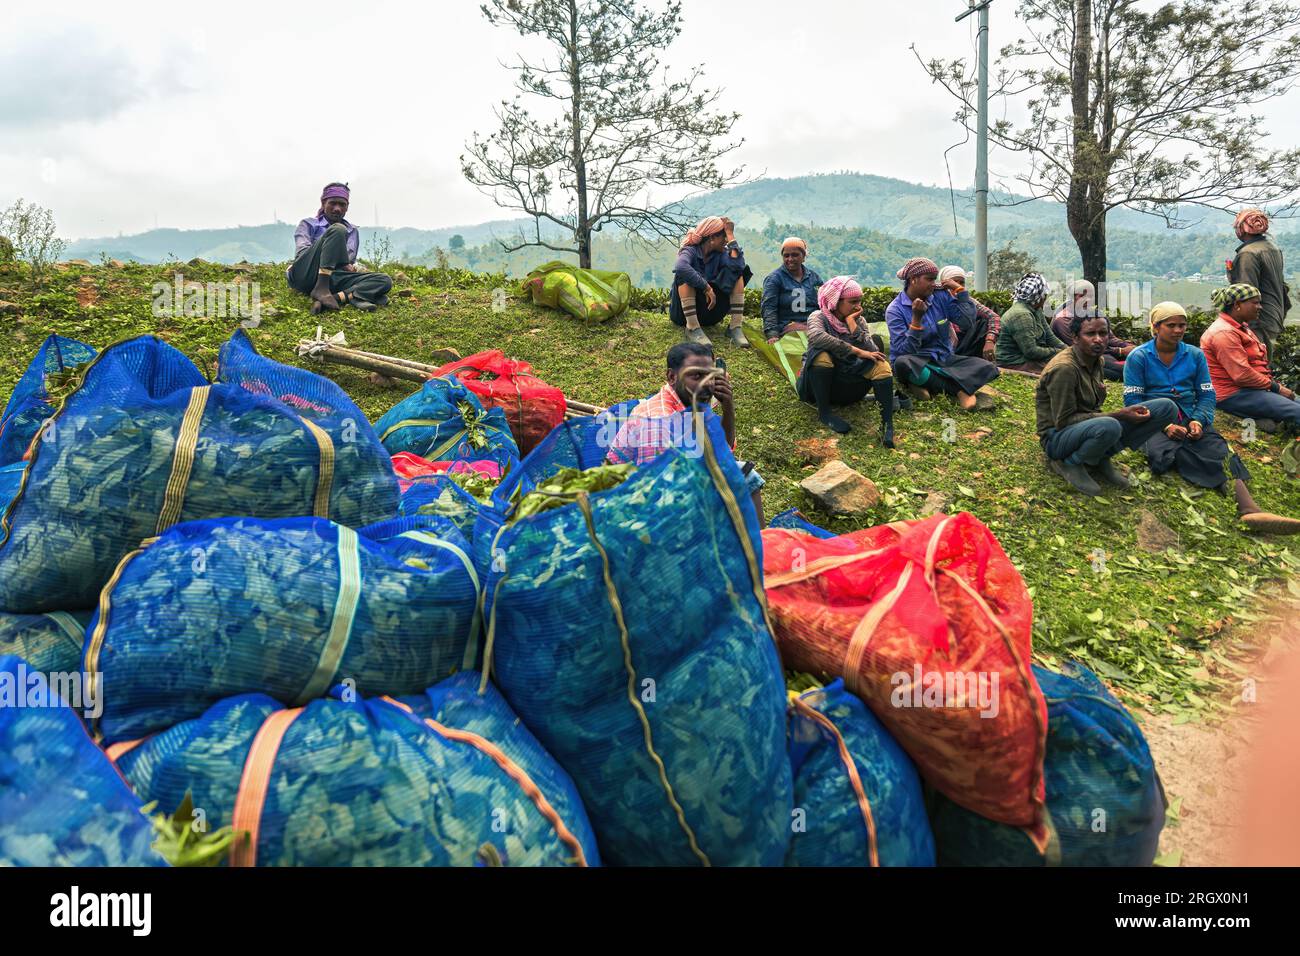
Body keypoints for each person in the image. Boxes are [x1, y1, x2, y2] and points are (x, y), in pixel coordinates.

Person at [1126, 301, 1300, 532]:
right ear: (1156, 327)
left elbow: (1207, 394)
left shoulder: (1194, 356)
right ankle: (1242, 505)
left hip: (1189, 416)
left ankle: (1250, 510)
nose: (1178, 330)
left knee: (1220, 450)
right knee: (1171, 451)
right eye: (1172, 325)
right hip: (1153, 421)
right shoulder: (1139, 357)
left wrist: (1198, 420)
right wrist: (1166, 425)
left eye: (1182, 325)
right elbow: (1133, 402)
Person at [606, 342, 765, 521]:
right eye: (697, 376)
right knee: (743, 480)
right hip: (643, 504)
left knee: (745, 476)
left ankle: (759, 544)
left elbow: (724, 451)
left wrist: (728, 408)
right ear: (671, 376)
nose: (708, 384)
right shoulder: (659, 422)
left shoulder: (690, 401)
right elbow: (664, 491)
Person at [1036, 312, 1178, 496]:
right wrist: (1118, 415)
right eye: (1090, 334)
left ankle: (1100, 456)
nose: (1098, 340)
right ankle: (1070, 462)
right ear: (1075, 337)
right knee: (1109, 425)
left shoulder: (1096, 360)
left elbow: (1092, 407)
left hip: (1086, 427)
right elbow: (1063, 421)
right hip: (1057, 438)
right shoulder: (1065, 369)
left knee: (1166, 408)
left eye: (1103, 334)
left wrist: (1113, 412)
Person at [885, 257, 1000, 411]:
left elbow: (966, 322)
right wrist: (916, 319)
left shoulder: (940, 297)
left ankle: (923, 384)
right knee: (903, 364)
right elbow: (904, 351)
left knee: (987, 367)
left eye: (935, 279)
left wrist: (960, 292)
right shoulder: (895, 310)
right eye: (929, 279)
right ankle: (959, 390)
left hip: (944, 358)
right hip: (917, 360)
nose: (934, 283)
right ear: (913, 279)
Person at [795, 276, 896, 446]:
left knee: (881, 366)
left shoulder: (859, 320)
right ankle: (824, 413)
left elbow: (872, 351)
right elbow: (817, 336)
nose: (858, 307)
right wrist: (855, 350)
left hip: (848, 383)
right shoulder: (818, 317)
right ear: (836, 301)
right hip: (816, 386)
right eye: (853, 302)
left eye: (859, 301)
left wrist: (852, 325)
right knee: (820, 356)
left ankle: (887, 426)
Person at [1202, 284, 1300, 434]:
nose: (1260, 307)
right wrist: (1277, 388)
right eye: (1255, 302)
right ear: (1237, 305)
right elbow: (1242, 375)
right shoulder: (1223, 333)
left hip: (1252, 389)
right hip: (1233, 394)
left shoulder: (1241, 327)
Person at [286, 182, 393, 314]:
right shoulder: (308, 224)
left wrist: (347, 265)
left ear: (347, 207)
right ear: (323, 203)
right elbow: (302, 254)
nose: (337, 208)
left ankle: (334, 298)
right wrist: (329, 246)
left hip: (334, 278)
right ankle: (324, 289)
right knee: (337, 230)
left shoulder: (352, 230)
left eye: (342, 204)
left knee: (384, 280)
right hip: (305, 274)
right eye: (332, 203)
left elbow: (346, 263)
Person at [671, 216, 753, 348]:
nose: (726, 241)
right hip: (683, 316)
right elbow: (680, 267)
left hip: (710, 312)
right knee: (683, 274)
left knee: (738, 272)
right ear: (712, 238)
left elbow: (738, 266)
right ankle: (692, 328)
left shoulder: (721, 254)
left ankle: (735, 327)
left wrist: (731, 234)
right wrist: (706, 287)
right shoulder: (690, 251)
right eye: (724, 237)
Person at [1228, 208, 1290, 359]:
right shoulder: (1273, 248)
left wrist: (1245, 325)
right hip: (1275, 314)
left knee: (1257, 368)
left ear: (1243, 228)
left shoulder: (1248, 253)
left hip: (1258, 320)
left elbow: (1247, 293)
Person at [1051, 279, 1135, 380]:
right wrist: (1120, 351)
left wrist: (1128, 346)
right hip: (1084, 357)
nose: (1086, 300)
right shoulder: (1063, 320)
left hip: (1103, 352)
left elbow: (1110, 337)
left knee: (1138, 359)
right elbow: (1082, 347)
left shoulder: (1093, 314)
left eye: (1090, 296)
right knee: (1124, 370)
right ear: (1072, 297)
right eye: (1081, 296)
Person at [996, 273, 1065, 374]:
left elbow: (1049, 336)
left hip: (1028, 360)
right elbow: (1031, 351)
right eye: (1045, 296)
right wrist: (1057, 352)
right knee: (1060, 370)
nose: (1046, 298)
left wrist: (1068, 350)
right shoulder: (1021, 315)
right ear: (1039, 297)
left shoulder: (1036, 310)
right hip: (1015, 363)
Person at [932, 266, 1000, 360]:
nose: (958, 286)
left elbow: (993, 316)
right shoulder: (937, 301)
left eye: (961, 283)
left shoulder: (967, 300)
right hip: (944, 345)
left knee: (983, 322)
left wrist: (990, 340)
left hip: (965, 344)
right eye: (954, 282)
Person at [762, 237, 822, 343]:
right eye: (786, 255)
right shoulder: (774, 279)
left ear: (803, 257)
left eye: (795, 255)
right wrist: (772, 334)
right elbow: (769, 307)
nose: (790, 259)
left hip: (814, 325)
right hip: (787, 328)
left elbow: (823, 305)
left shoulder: (814, 278)